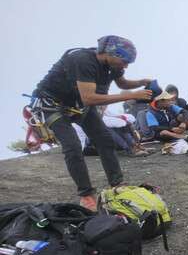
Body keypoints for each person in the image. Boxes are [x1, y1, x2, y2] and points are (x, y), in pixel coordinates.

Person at [33, 36, 152, 211]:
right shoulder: (83, 60)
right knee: (73, 146)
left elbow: (122, 83)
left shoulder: (114, 65)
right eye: (125, 61)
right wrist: (132, 95)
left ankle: (117, 184)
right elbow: (89, 98)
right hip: (51, 105)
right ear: (110, 54)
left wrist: (141, 83)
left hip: (76, 105)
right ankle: (86, 194)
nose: (126, 66)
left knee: (105, 139)